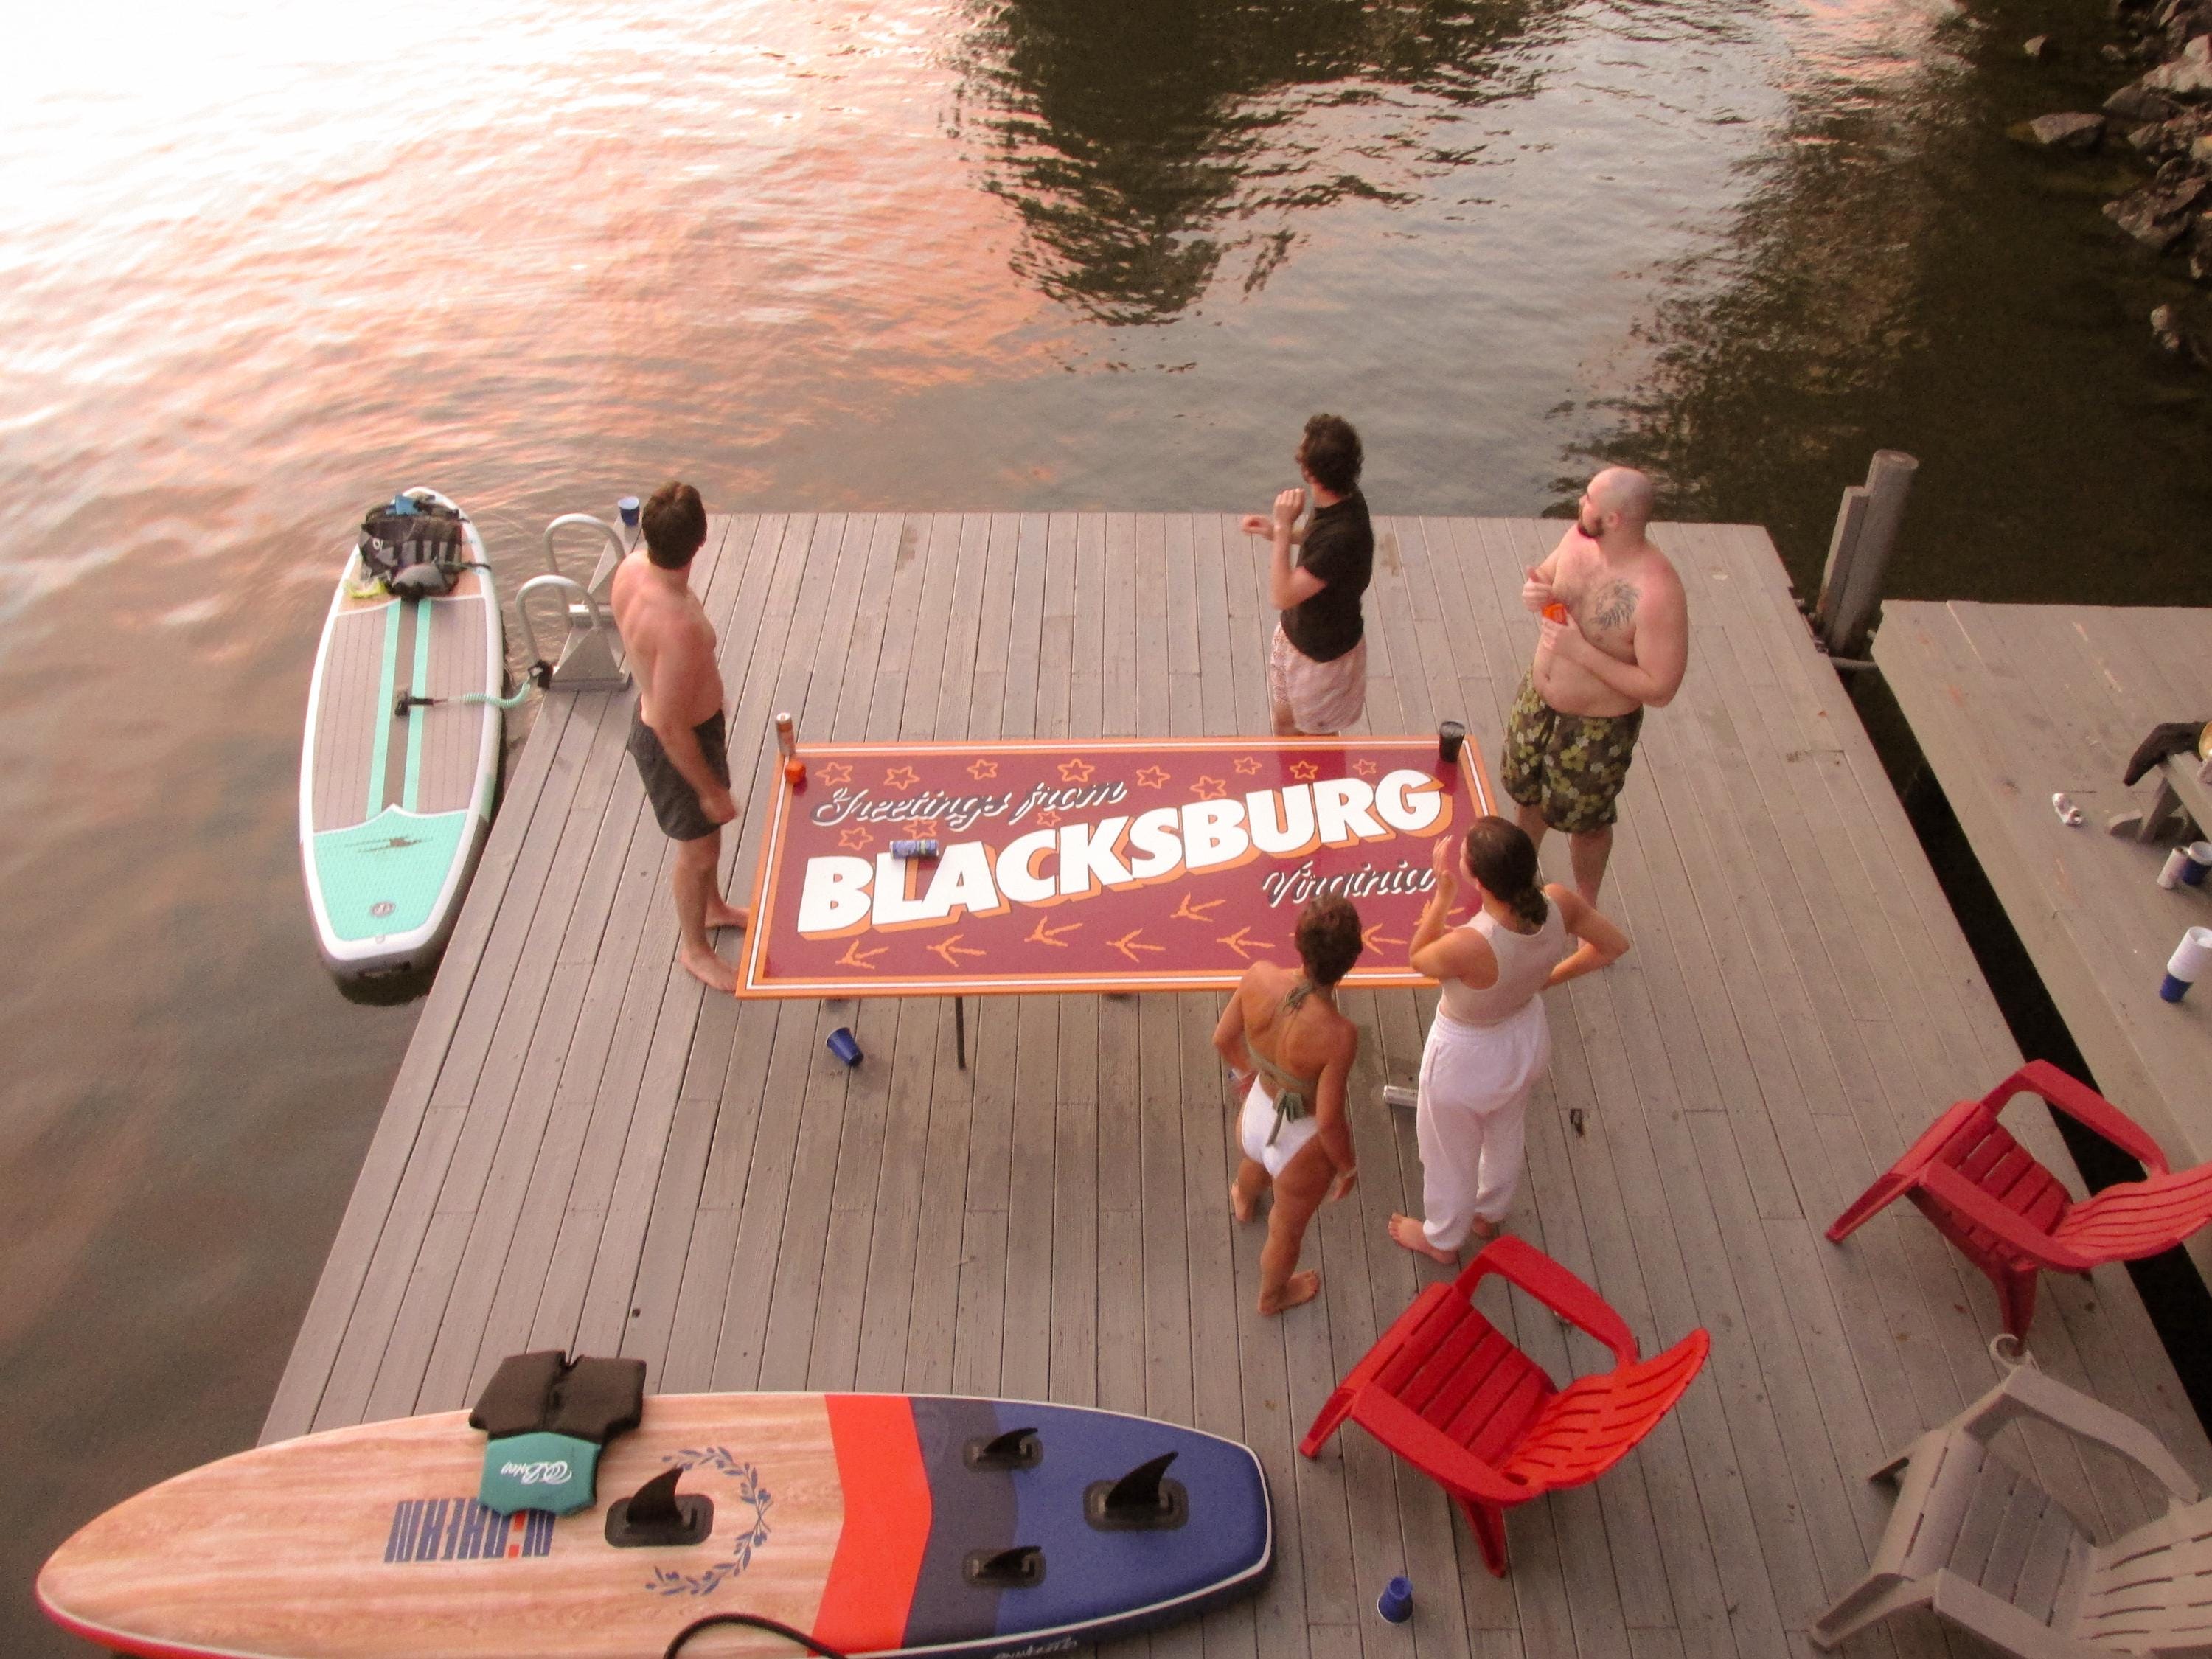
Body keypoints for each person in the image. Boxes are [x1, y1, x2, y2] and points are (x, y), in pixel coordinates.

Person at [1388, 818, 1627, 1262]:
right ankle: (1488, 1211)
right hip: (1525, 1035)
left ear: (1478, 881)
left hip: (1465, 1058)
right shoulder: (1558, 902)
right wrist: (1546, 978)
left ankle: (1442, 1240)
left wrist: (1442, 897)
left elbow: (1419, 957)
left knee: (1448, 1153)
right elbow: (1613, 945)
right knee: (1505, 1129)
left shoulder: (1471, 944)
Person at [1508, 466, 1688, 902]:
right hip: (1538, 700)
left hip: (1595, 729)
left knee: (1586, 824)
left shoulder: (1657, 592)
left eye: (1589, 498)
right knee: (1527, 797)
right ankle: (1518, 883)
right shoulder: (1577, 538)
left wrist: (1581, 652)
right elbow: (1546, 579)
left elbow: (1661, 688)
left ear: (1614, 519)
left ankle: (1586, 908)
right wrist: (1537, 593)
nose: (1580, 503)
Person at [609, 481, 749, 992]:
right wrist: (709, 789)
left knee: (708, 842)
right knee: (697, 852)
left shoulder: (630, 571)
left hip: (679, 722)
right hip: (676, 744)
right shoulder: (678, 625)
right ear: (701, 540)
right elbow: (669, 726)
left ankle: (714, 909)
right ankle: (696, 950)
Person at [1213, 895, 1364, 1314]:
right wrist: (1347, 1167)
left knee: (1257, 1158)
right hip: (1301, 1143)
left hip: (1257, 1109)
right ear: (1350, 962)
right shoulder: (1339, 1035)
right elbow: (1329, 1120)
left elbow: (1222, 1039)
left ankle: (1244, 1197)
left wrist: (1249, 1077)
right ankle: (1272, 1296)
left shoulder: (1259, 976)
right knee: (1284, 1230)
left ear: (1298, 941)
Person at [1239, 414, 1373, 737]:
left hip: (1322, 660)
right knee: (1285, 723)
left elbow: (1281, 595)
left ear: (1310, 472)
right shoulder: (1343, 499)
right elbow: (1319, 545)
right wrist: (1277, 532)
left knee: (1317, 742)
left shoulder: (1341, 537)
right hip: (1297, 636)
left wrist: (1284, 524)